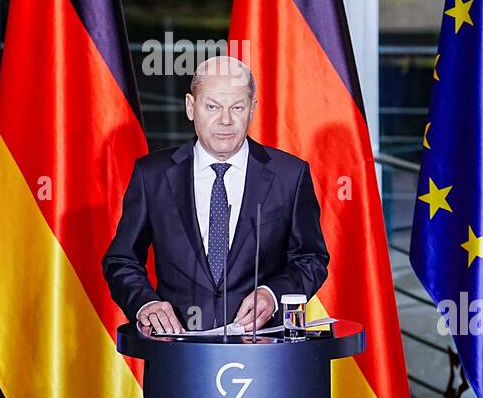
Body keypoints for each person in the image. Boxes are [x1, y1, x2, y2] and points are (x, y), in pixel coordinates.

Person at [103, 55, 328, 335]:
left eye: (237, 107)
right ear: (190, 107)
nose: (225, 120)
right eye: (212, 106)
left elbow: (311, 258)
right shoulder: (153, 175)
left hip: (264, 353)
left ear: (252, 109)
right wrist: (145, 304)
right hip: (177, 350)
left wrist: (272, 294)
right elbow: (122, 260)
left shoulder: (289, 175)